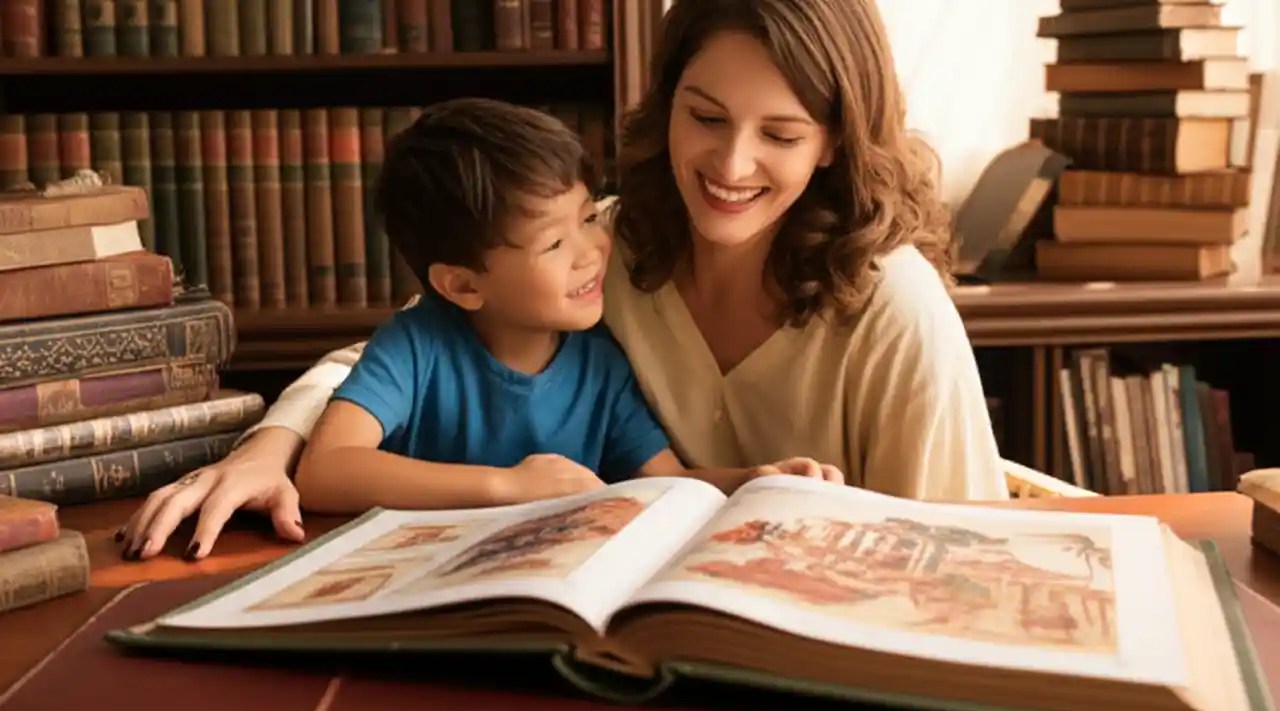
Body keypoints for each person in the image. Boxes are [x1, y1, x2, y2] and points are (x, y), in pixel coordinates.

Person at [118, 0, 1008, 562]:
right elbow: (401, 346)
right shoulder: (604, 246)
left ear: (835, 144)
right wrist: (265, 451)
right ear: (668, 105)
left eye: (780, 135)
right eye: (705, 116)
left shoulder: (891, 301)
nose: (731, 164)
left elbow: (965, 552)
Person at [290, 98, 837, 518]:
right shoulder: (417, 346)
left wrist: (754, 479)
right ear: (462, 284)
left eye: (589, 217)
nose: (592, 252)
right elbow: (325, 470)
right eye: (554, 244)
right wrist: (506, 486)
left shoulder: (602, 366)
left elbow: (667, 480)